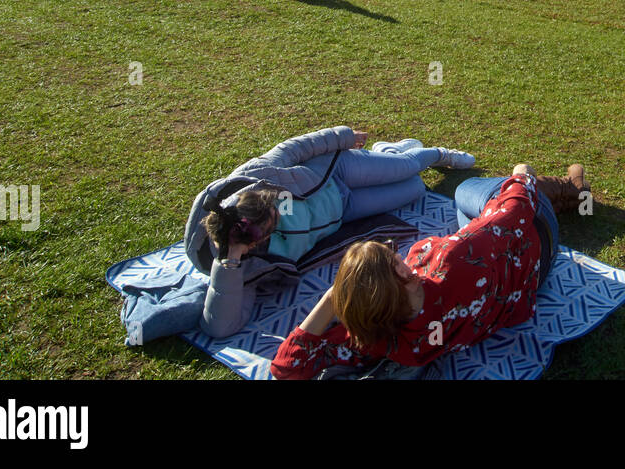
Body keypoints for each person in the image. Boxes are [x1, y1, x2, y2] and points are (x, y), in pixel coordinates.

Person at [269, 163, 591, 377]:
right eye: (394, 258)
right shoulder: (451, 259)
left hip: (516, 275)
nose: (401, 258)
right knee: (466, 191)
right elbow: (516, 209)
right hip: (535, 242)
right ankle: (568, 189)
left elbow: (285, 368)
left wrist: (330, 298)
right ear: (403, 277)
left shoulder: (388, 340)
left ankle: (563, 199)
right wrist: (523, 172)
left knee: (473, 216)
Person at [192, 128, 477, 339]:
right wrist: (229, 264)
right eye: (273, 225)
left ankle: (440, 154)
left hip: (336, 172)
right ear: (251, 242)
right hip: (344, 210)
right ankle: (389, 152)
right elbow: (220, 327)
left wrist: (343, 137)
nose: (281, 215)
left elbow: (294, 148)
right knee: (414, 188)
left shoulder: (252, 180)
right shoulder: (244, 265)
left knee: (409, 167)